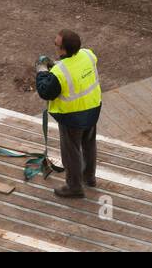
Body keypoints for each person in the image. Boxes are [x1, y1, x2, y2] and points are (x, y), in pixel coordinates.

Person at [35, 29, 102, 198]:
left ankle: (74, 187)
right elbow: (75, 68)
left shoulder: (59, 72)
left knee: (71, 151)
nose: (55, 46)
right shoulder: (87, 55)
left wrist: (42, 71)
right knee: (89, 144)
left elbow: (46, 91)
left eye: (56, 44)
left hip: (72, 117)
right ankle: (89, 178)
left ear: (63, 49)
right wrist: (58, 63)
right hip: (93, 109)